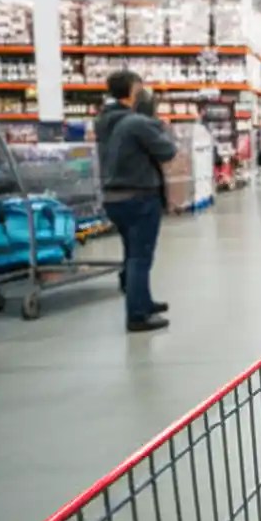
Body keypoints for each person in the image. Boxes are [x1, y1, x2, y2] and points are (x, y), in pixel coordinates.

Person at [96, 70, 178, 333]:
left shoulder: (103, 121)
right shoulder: (138, 123)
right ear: (132, 91)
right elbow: (167, 151)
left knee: (132, 254)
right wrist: (159, 127)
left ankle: (143, 300)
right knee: (141, 257)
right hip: (139, 195)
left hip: (113, 197)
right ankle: (137, 315)